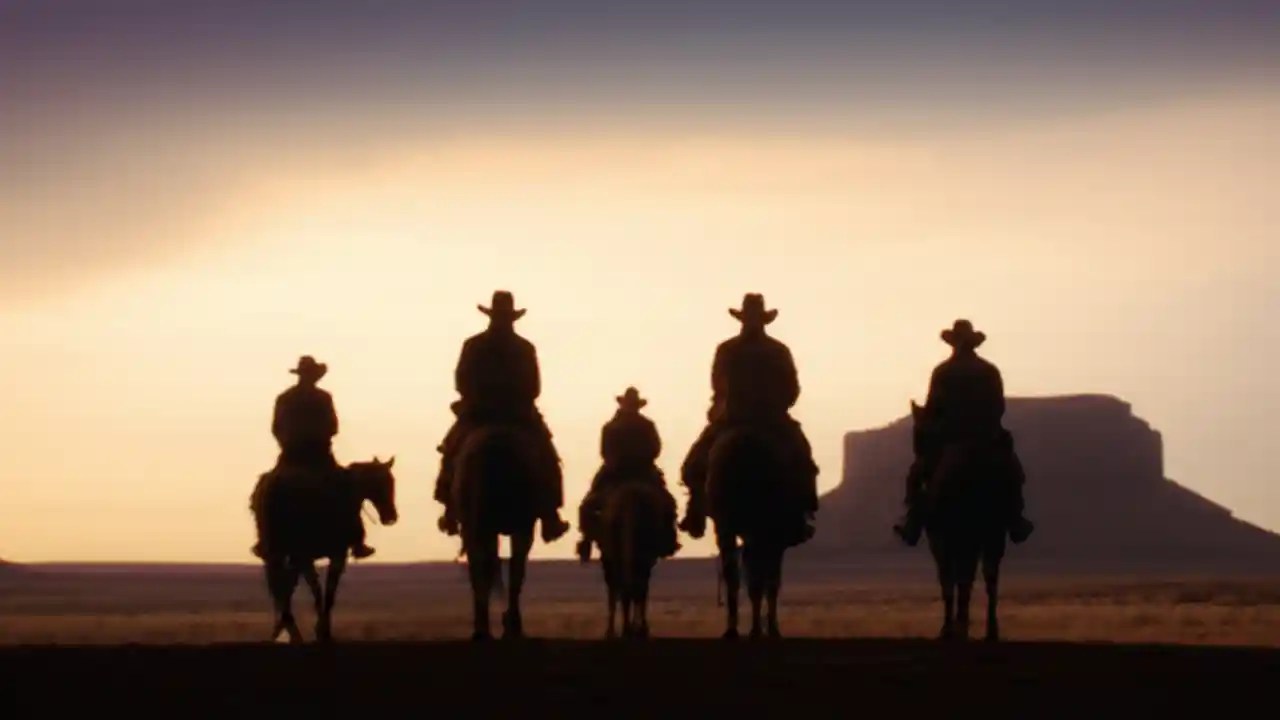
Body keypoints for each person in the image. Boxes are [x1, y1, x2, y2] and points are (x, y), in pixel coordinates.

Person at [678, 293, 819, 545]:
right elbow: (792, 388)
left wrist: (722, 406)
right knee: (802, 458)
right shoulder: (777, 350)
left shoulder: (727, 349)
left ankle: (695, 510)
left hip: (734, 419)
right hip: (770, 420)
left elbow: (717, 385)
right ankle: (803, 511)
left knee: (695, 463)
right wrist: (779, 403)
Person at [433, 291, 572, 543]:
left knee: (452, 450)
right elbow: (534, 387)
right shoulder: (524, 347)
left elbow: (461, 380)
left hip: (479, 414)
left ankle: (449, 508)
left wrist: (477, 397)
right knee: (547, 456)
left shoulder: (473, 345)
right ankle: (550, 515)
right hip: (516, 415)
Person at [892, 319, 1035, 546]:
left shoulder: (943, 371)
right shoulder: (989, 370)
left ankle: (912, 523)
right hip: (986, 437)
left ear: (953, 343)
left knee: (918, 472)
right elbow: (998, 406)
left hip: (951, 439)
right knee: (1012, 471)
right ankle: (1016, 520)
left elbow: (933, 407)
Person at [251, 356, 374, 559]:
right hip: (315, 455)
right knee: (347, 489)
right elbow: (333, 426)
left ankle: (264, 539)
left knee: (266, 490)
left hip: (294, 454)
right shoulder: (321, 398)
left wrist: (289, 440)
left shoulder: (286, 398)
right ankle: (356, 541)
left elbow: (277, 427)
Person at [575, 387, 681, 562]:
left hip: (615, 472)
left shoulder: (611, 426)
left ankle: (586, 540)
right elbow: (655, 449)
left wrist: (616, 461)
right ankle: (669, 539)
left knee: (590, 503)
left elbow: (605, 451)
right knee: (667, 502)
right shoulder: (647, 425)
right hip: (642, 472)